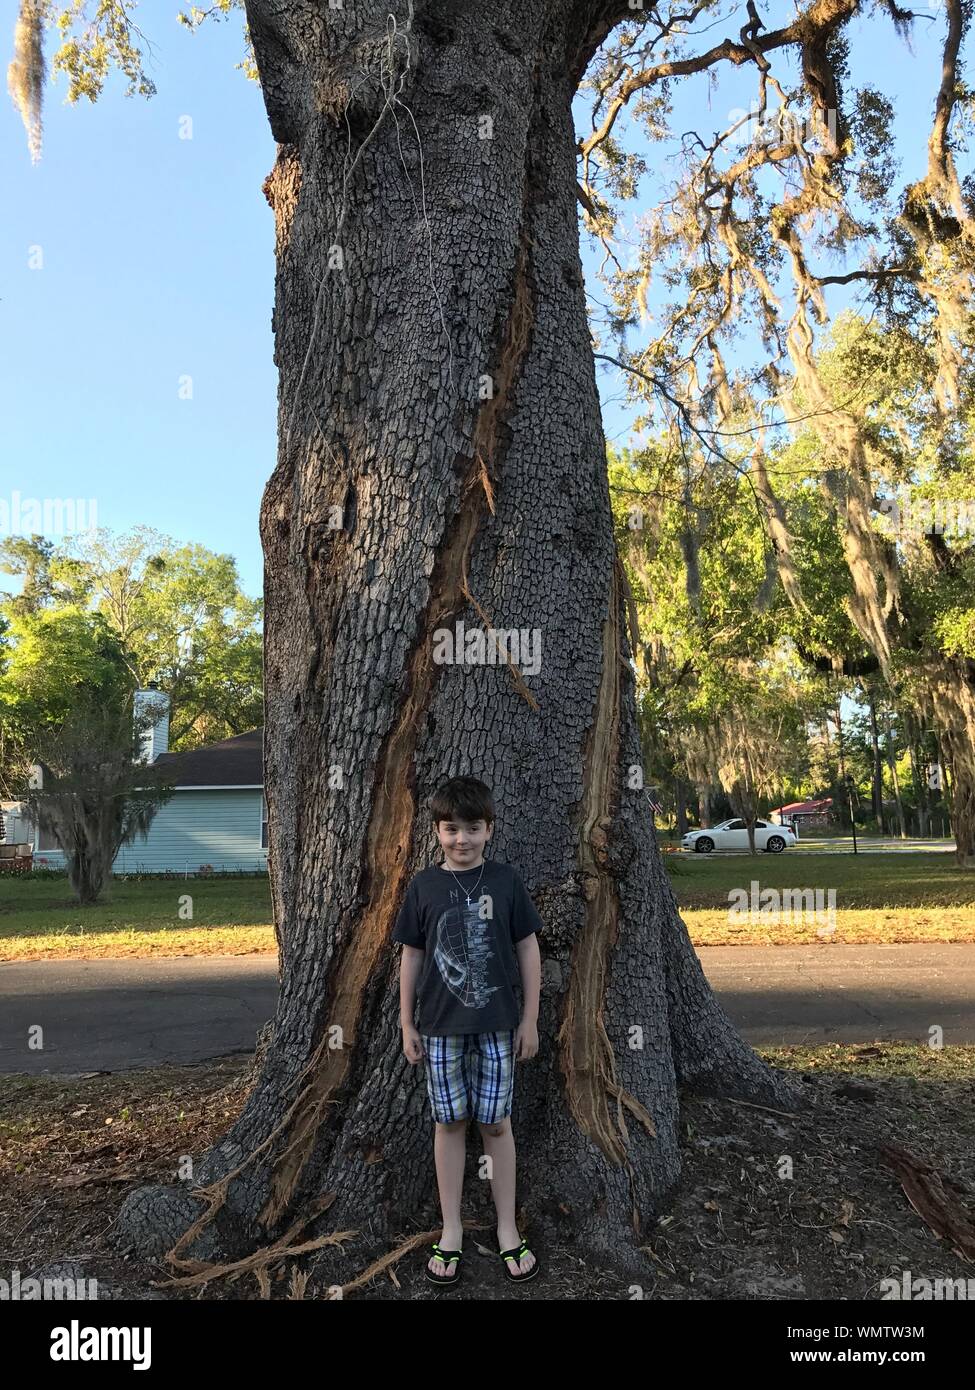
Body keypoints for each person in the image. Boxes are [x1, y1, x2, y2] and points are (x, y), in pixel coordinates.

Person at [392, 775, 542, 1287]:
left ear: (490, 830)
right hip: (438, 1029)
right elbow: (412, 955)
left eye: (472, 829)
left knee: (496, 1124)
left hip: (499, 1026)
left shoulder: (506, 882)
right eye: (451, 829)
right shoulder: (424, 887)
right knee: (450, 1123)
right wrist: (406, 1021)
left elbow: (527, 949)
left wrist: (530, 1019)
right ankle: (451, 1228)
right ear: (436, 831)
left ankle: (506, 1228)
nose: (462, 839)